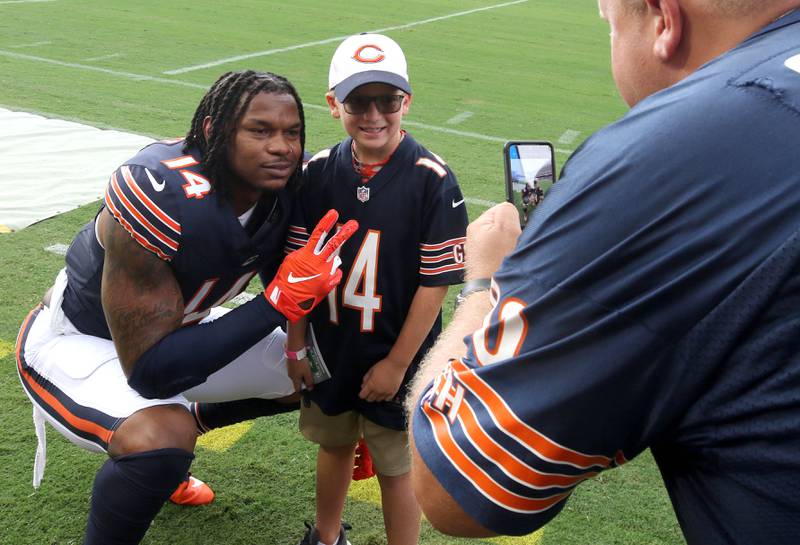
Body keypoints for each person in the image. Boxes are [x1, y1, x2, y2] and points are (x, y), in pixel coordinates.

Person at [406, 1, 800, 544]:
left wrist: (481, 285)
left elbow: (452, 490)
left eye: (611, 25)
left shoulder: (675, 155)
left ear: (663, 19)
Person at [15, 69, 357, 545]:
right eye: (260, 130)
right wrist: (275, 302)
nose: (282, 147)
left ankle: (189, 427)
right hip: (81, 341)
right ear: (215, 131)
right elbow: (151, 372)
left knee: (329, 368)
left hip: (180, 331)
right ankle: (164, 453)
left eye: (292, 132)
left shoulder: (284, 188)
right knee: (160, 437)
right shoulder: (159, 190)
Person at [285, 33, 469, 545]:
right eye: (357, 101)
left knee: (395, 464)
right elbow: (298, 271)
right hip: (332, 343)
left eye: (386, 100)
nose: (373, 115)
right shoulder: (317, 173)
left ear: (405, 101)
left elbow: (434, 286)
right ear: (333, 105)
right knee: (334, 445)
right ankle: (325, 536)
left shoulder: (433, 180)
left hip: (399, 351)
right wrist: (296, 342)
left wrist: (396, 364)